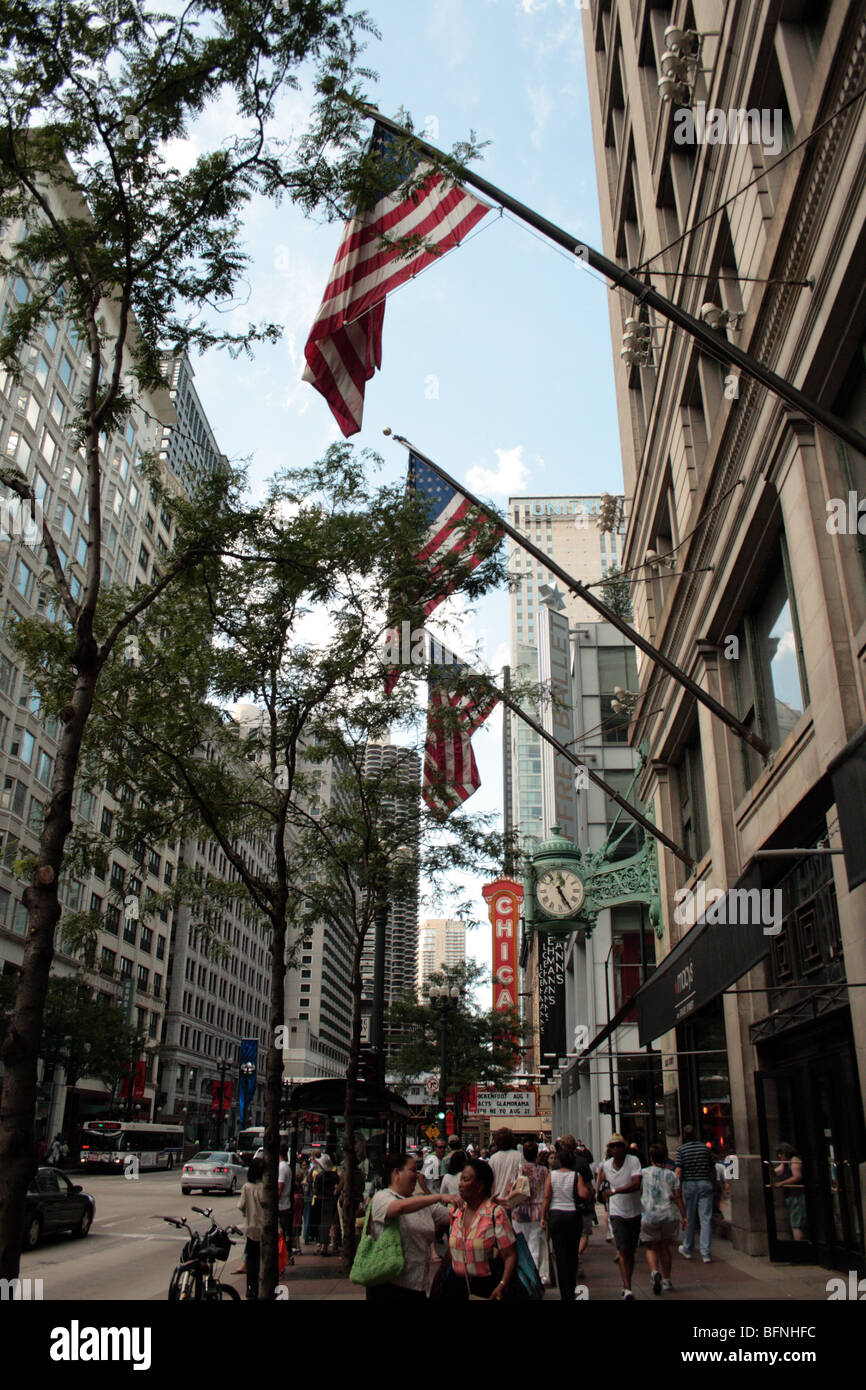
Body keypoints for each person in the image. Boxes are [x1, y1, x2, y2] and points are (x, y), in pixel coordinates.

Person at [366, 1152, 459, 1300]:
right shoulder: (382, 1198)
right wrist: (438, 1196)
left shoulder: (422, 1203)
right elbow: (398, 1208)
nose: (416, 1175)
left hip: (416, 1284)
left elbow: (453, 1216)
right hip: (388, 1286)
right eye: (412, 1170)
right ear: (396, 1172)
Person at [437, 1157, 518, 1300]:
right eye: (461, 1179)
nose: (460, 1184)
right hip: (456, 1286)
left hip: (485, 1288)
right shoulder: (456, 1212)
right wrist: (439, 1277)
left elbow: (510, 1254)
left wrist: (502, 1284)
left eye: (465, 1180)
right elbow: (451, 1251)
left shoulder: (495, 1213)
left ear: (480, 1186)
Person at [540, 1139, 590, 1301]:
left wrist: (543, 1217)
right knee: (572, 1253)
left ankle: (565, 1293)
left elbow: (547, 1197)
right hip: (572, 1216)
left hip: (556, 1216)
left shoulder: (552, 1175)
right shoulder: (576, 1176)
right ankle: (572, 1284)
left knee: (560, 1255)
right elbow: (584, 1194)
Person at [600, 1134, 643, 1300]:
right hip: (617, 1212)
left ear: (624, 1148)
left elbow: (636, 1184)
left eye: (619, 1145)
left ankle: (627, 1283)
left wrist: (614, 1191)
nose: (616, 1149)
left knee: (631, 1251)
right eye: (613, 1146)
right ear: (610, 1150)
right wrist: (602, 1194)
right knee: (623, 1250)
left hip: (634, 1211)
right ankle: (627, 1288)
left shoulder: (633, 1162)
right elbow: (603, 1183)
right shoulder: (606, 1165)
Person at [641, 1144, 687, 1294]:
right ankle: (667, 1280)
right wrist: (684, 1216)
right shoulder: (672, 1175)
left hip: (649, 1215)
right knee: (665, 1248)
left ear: (651, 1158)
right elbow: (678, 1196)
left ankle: (654, 1272)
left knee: (651, 1247)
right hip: (668, 1215)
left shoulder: (644, 1173)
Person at [675, 1124, 717, 1263]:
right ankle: (706, 1252)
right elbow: (712, 1167)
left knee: (689, 1217)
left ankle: (688, 1247)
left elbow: (678, 1171)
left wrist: (677, 1188)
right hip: (705, 1182)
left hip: (689, 1184)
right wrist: (714, 1183)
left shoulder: (681, 1150)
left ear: (685, 1136)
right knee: (706, 1218)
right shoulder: (705, 1148)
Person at [512, 1140, 548, 1273]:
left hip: (519, 1211)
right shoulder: (544, 1171)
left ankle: (523, 1275)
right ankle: (535, 1275)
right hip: (537, 1212)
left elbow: (512, 1188)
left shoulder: (518, 1170)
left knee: (522, 1245)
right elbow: (547, 1192)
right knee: (535, 1245)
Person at [237, 1156, 265, 1299]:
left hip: (251, 1228)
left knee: (251, 1259)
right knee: (264, 1259)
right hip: (265, 1228)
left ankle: (251, 1288)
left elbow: (241, 1206)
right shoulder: (265, 1187)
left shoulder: (247, 1187)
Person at [774, 1143, 806, 1240]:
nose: (779, 1156)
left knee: (796, 1223)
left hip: (797, 1194)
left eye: (781, 1153)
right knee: (795, 1222)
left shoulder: (794, 1160)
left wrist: (782, 1183)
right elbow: (777, 1171)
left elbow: (797, 1176)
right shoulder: (786, 1163)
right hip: (792, 1194)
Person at [311, 1152, 338, 1255]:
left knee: (322, 1224)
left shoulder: (319, 1176)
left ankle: (323, 1246)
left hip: (320, 1201)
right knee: (327, 1224)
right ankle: (325, 1246)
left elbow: (315, 1190)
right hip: (331, 1201)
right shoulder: (335, 1176)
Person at [277, 1141, 293, 1254]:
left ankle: (284, 1255)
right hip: (285, 1204)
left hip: (281, 1206)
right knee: (285, 1232)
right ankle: (287, 1253)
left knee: (281, 1232)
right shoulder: (286, 1167)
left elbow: (280, 1187)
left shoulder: (281, 1168)